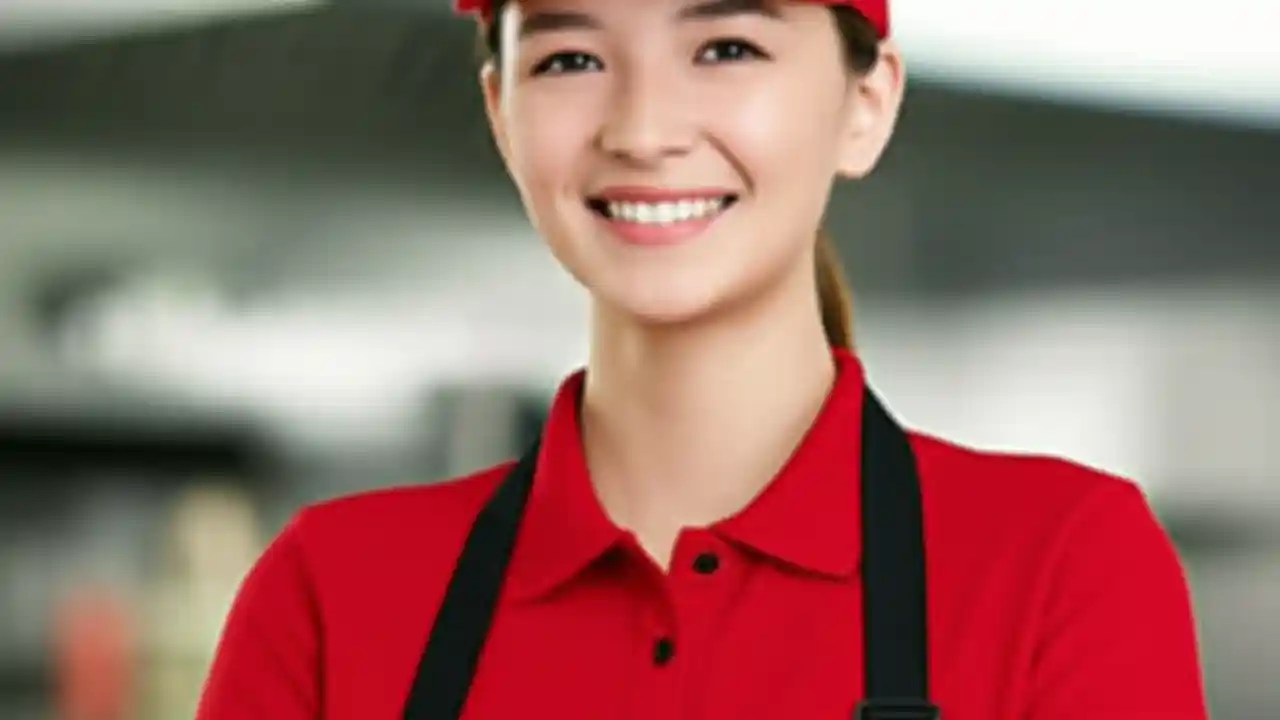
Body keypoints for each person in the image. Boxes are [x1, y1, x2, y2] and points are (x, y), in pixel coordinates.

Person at [196, 0, 1209, 718]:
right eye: (571, 59)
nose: (641, 131)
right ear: (502, 113)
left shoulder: (1061, 568)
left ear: (866, 103)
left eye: (724, 45)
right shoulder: (331, 594)